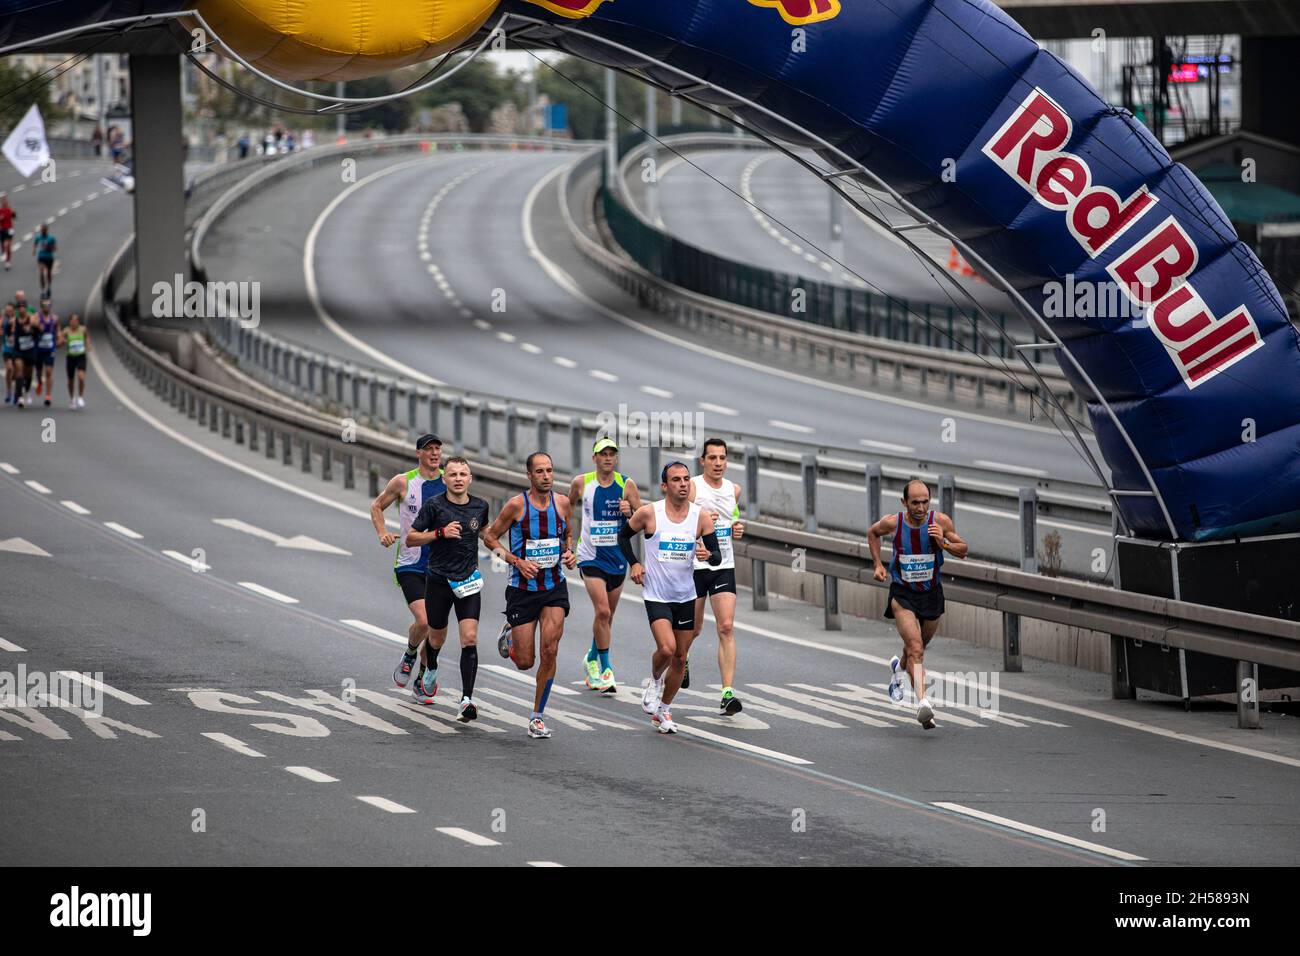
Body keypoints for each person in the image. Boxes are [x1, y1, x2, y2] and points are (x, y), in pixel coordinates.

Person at [618, 462, 722, 734]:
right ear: (665, 486)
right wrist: (635, 563)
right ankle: (653, 680)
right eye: (676, 480)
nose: (683, 483)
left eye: (686, 479)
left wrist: (708, 556)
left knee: (679, 657)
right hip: (657, 594)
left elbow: (717, 555)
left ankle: (663, 710)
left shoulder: (701, 517)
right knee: (666, 648)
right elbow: (622, 537)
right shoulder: (650, 514)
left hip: (686, 595)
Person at [482, 452, 578, 739]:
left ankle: (537, 716)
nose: (546, 476)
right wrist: (516, 561)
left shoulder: (562, 503)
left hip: (553, 587)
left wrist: (569, 552)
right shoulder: (516, 506)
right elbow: (489, 538)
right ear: (529, 475)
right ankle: (510, 632)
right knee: (525, 661)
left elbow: (568, 534)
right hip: (522, 590)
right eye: (540, 471)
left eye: (549, 470)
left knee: (550, 649)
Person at [867, 478, 969, 729]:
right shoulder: (894, 523)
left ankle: (898, 669)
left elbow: (963, 549)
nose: (921, 508)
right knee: (916, 649)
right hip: (903, 594)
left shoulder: (941, 522)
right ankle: (924, 704)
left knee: (917, 648)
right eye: (915, 503)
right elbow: (872, 533)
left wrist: (942, 542)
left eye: (925, 502)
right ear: (904, 503)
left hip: (932, 594)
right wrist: (878, 564)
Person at [402, 457, 490, 721]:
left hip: (468, 581)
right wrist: (439, 533)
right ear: (445, 479)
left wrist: (509, 555)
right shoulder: (434, 505)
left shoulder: (480, 506)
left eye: (463, 474)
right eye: (453, 474)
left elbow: (486, 533)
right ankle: (431, 666)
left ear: (470, 478)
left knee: (470, 637)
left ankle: (466, 700)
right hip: (439, 581)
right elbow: (411, 537)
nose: (459, 479)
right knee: (436, 638)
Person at [371, 435, 446, 689]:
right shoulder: (403, 482)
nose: (434, 453)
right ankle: (410, 654)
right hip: (410, 564)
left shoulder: (451, 481)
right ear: (418, 454)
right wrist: (382, 533)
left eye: (438, 449)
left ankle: (422, 675)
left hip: (443, 567)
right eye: (429, 449)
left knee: (435, 630)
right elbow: (377, 506)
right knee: (424, 621)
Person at [568, 437, 642, 693]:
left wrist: (629, 513)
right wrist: (568, 541)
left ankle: (591, 657)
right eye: (603, 453)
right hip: (590, 557)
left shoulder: (626, 484)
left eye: (612, 453)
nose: (608, 458)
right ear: (595, 458)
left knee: (607, 617)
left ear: (616, 458)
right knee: (602, 612)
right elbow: (568, 508)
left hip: (617, 558)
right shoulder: (581, 483)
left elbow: (641, 519)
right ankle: (607, 669)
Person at [687, 438, 747, 715]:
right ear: (702, 461)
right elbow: (676, 522)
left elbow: (732, 517)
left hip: (723, 564)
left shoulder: (734, 490)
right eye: (712, 458)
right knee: (694, 629)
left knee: (726, 626)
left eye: (722, 458)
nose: (718, 463)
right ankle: (681, 658)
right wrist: (699, 522)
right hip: (694, 567)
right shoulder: (692, 487)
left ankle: (727, 693)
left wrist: (736, 528)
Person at [62, 313, 88, 408]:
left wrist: (88, 345)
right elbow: (59, 341)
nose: (74, 322)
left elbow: (87, 338)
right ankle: (72, 398)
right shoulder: (66, 331)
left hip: (81, 356)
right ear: (69, 322)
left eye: (76, 320)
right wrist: (63, 341)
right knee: (71, 379)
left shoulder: (83, 329)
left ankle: (80, 397)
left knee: (81, 377)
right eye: (72, 320)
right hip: (71, 357)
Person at [12, 309, 38, 408]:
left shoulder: (32, 321)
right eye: (20, 308)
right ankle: (20, 397)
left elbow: (39, 333)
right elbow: (11, 330)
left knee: (28, 373)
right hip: (19, 351)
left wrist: (32, 328)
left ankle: (26, 390)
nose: (22, 310)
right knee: (19, 372)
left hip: (30, 352)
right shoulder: (15, 321)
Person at [34, 299, 57, 407]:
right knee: (39, 371)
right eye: (44, 305)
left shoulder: (55, 319)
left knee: (48, 371)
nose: (46, 307)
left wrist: (60, 339)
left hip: (50, 349)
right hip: (39, 349)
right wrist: (38, 326)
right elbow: (31, 325)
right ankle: (39, 382)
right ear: (41, 307)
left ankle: (48, 395)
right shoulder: (37, 317)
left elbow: (58, 331)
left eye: (48, 305)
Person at [32, 224, 55, 299]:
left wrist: (49, 247)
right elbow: (35, 243)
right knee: (41, 272)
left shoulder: (51, 238)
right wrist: (34, 250)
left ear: (47, 230)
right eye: (41, 230)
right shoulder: (38, 237)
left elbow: (55, 248)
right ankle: (43, 291)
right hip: (41, 257)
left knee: (48, 274)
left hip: (49, 258)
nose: (42, 231)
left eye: (44, 230)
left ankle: (49, 287)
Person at [2, 304, 18, 404]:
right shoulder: (2, 321)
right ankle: (8, 392)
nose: (8, 312)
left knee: (17, 373)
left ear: (13, 311)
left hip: (17, 350)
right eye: (6, 310)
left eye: (10, 310)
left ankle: (17, 392)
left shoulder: (18, 320)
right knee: (9, 368)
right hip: (6, 349)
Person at [0, 194, 16, 270]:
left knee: (8, 246)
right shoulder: (0, 211)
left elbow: (15, 218)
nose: (5, 203)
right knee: (3, 246)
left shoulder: (9, 210)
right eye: (3, 202)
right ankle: (3, 252)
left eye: (6, 202)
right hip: (2, 230)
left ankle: (8, 262)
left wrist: (14, 214)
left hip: (9, 230)